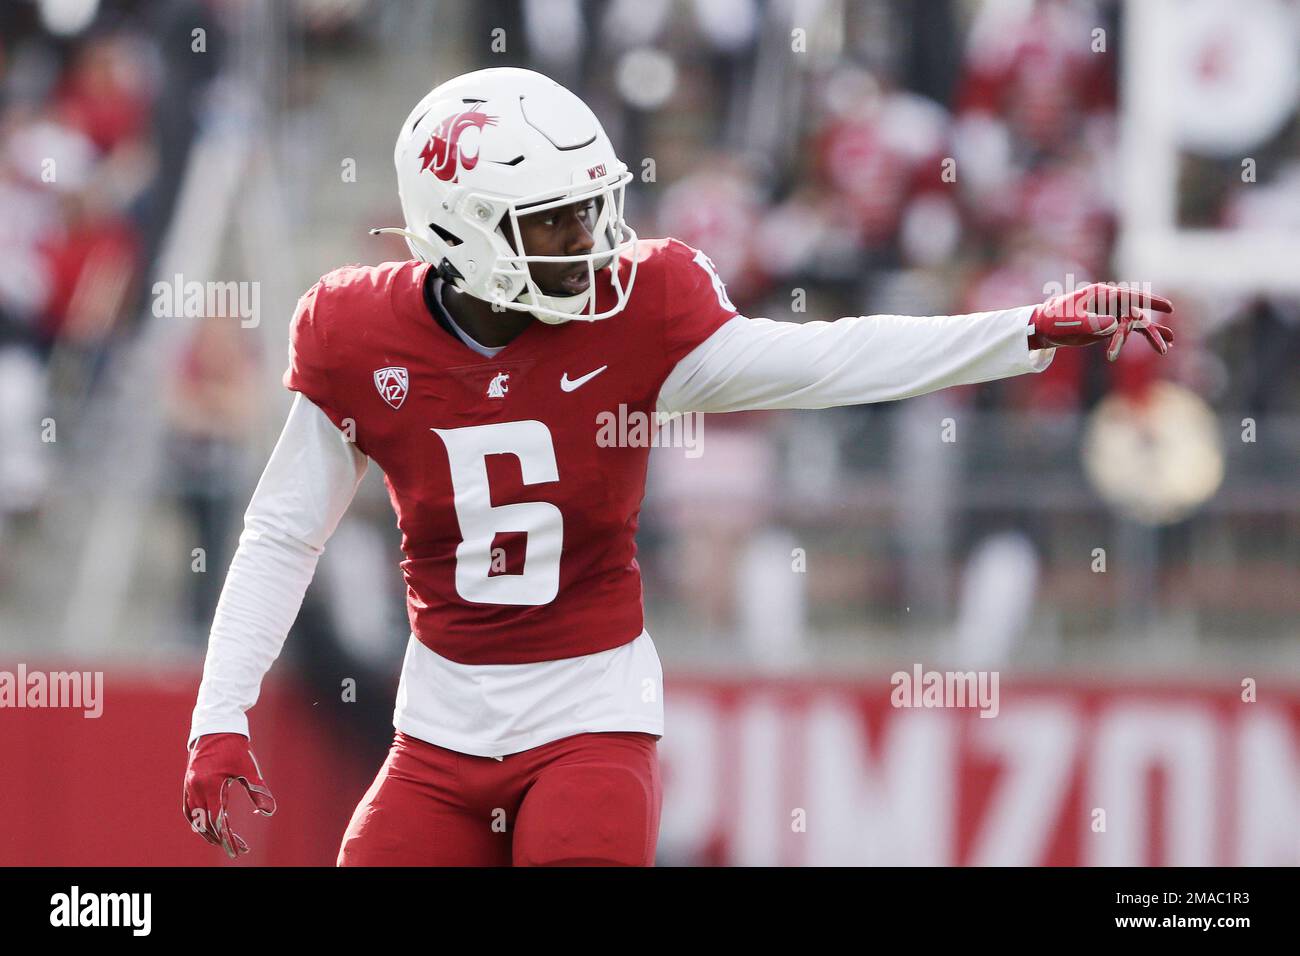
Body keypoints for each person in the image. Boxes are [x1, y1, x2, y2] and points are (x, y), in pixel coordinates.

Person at [182, 67, 1173, 866]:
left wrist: (1022, 329)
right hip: (436, 732)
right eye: (553, 222)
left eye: (589, 208)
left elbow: (824, 360)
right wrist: (218, 713)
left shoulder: (639, 307)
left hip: (587, 719)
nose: (590, 241)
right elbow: (281, 530)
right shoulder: (359, 332)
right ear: (459, 227)